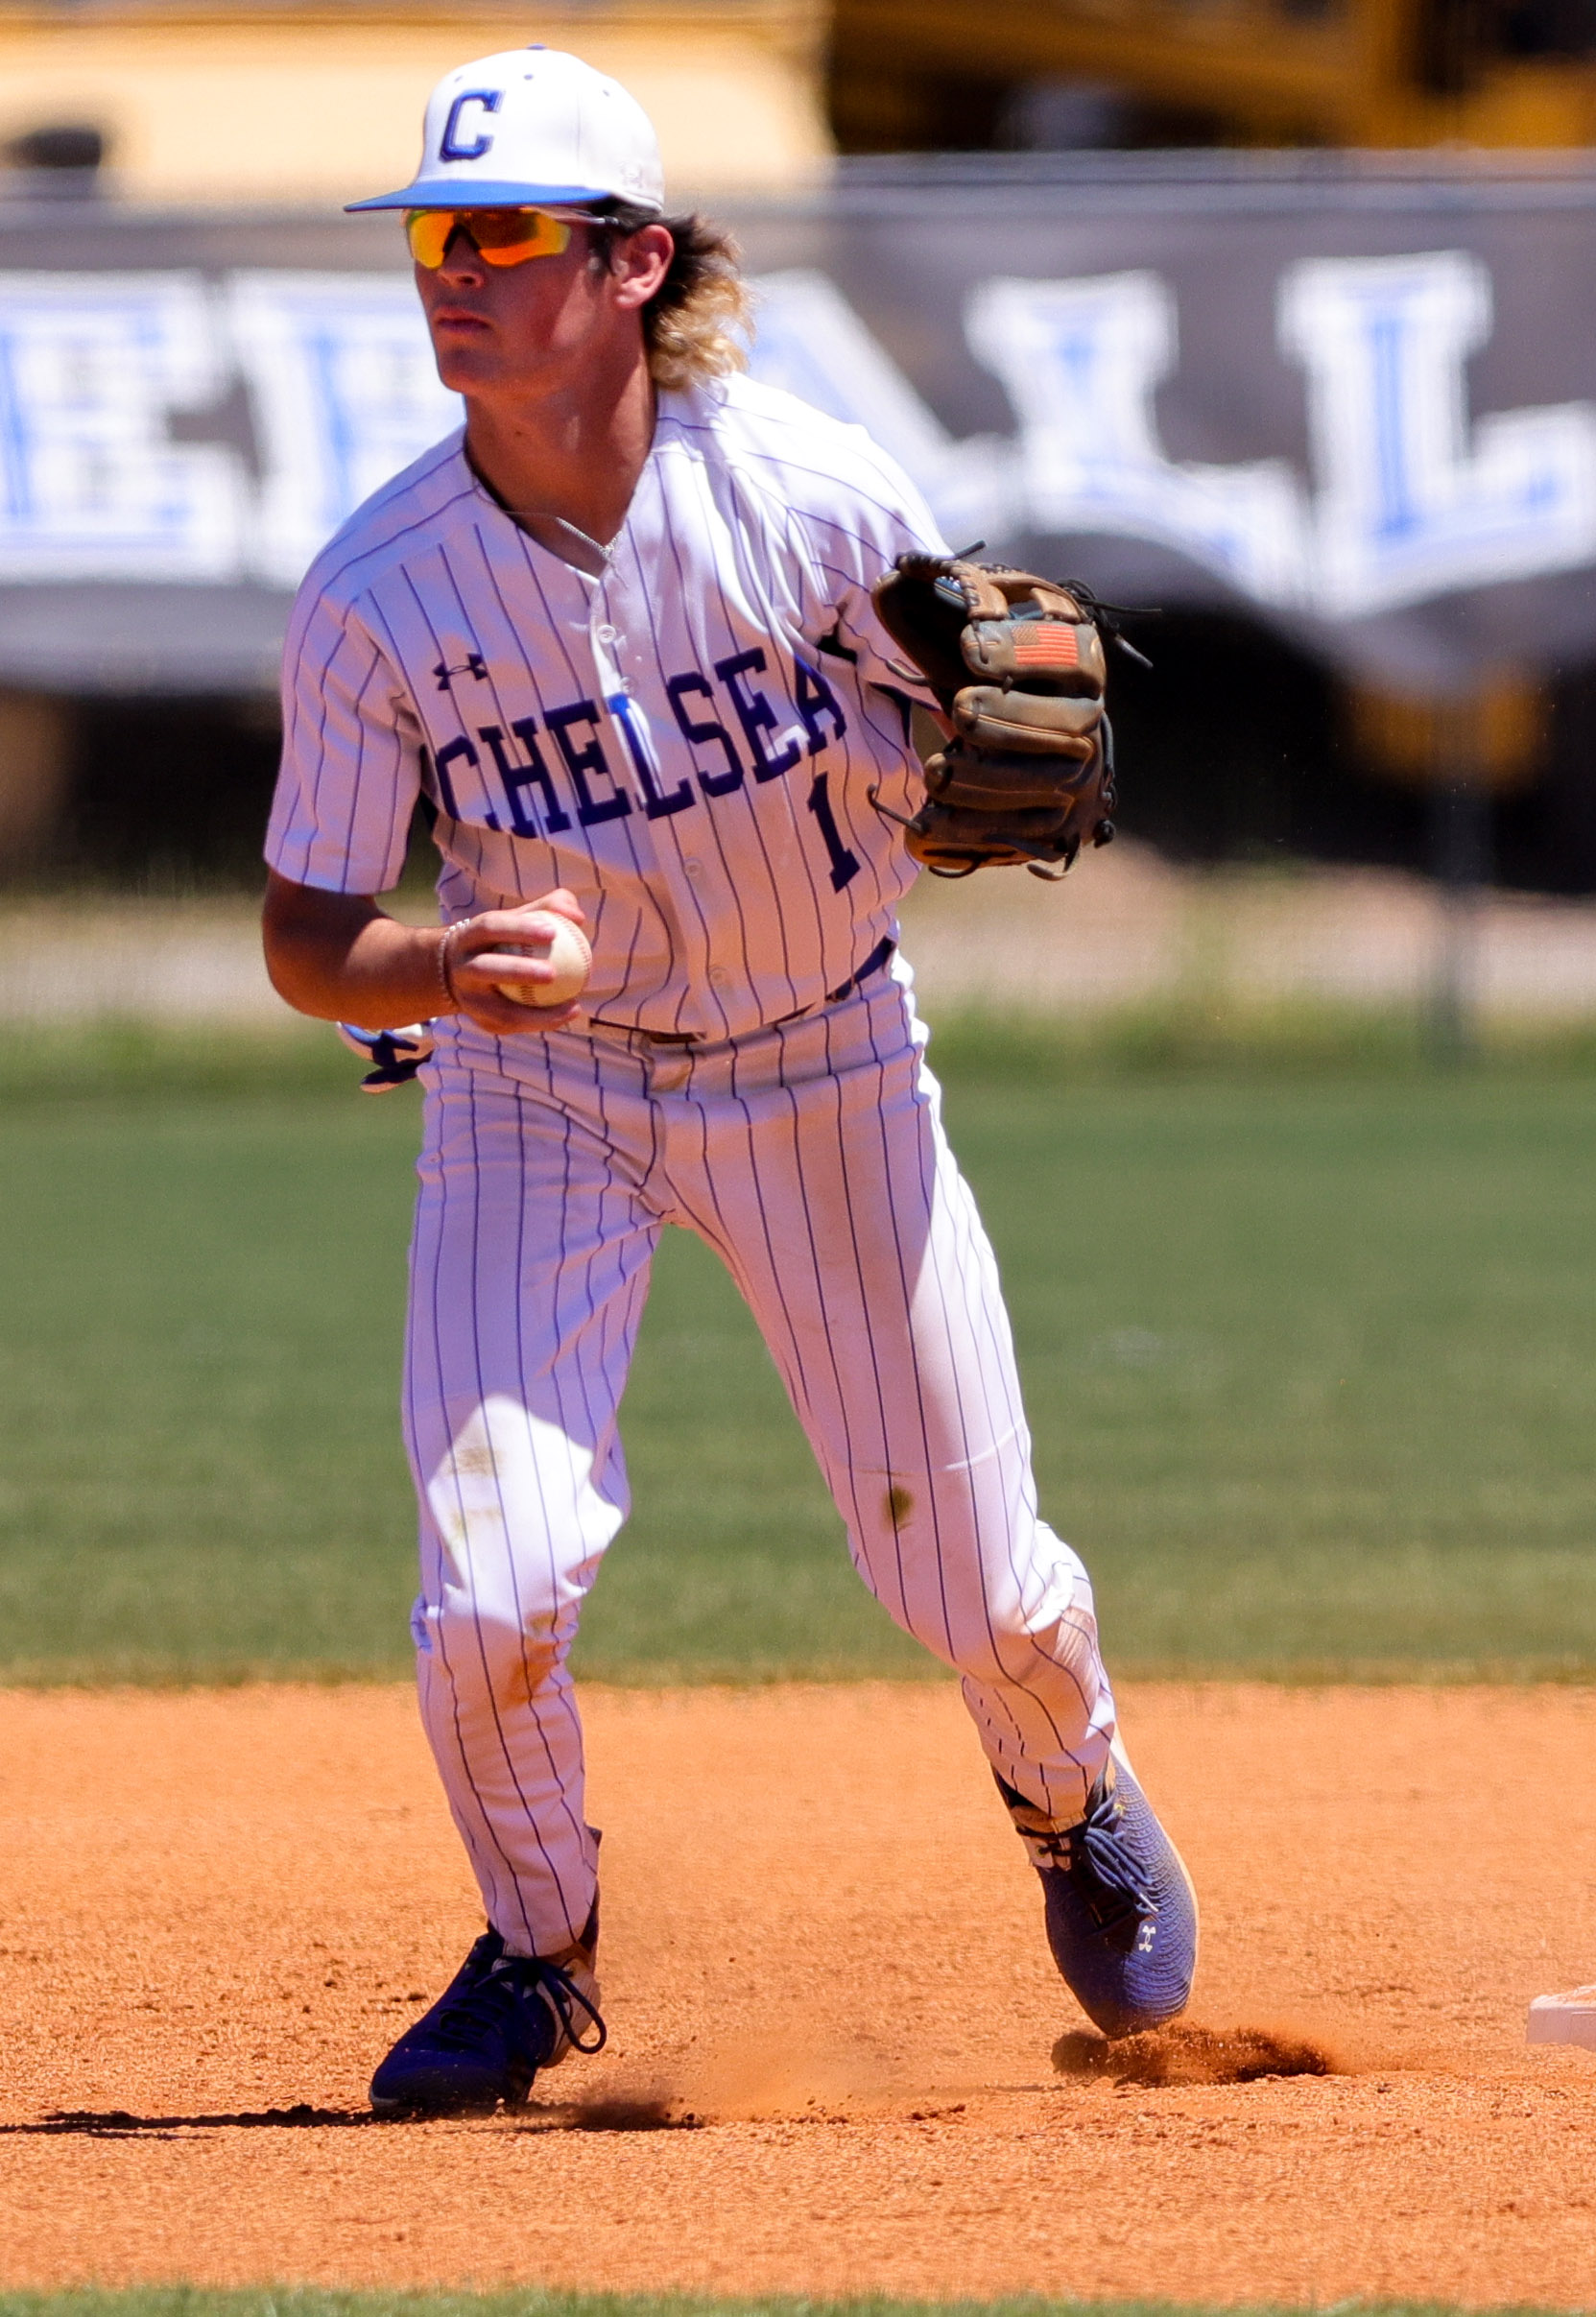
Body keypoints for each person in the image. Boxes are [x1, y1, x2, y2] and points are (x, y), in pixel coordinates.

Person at [255, 45, 1193, 2116]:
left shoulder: (810, 501)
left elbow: (975, 729)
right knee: (493, 1581)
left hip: (825, 1057)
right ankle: (538, 1947)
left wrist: (952, 778)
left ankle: (1066, 1790)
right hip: (541, 1093)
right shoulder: (378, 590)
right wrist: (444, 968)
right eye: (433, 233)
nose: (452, 270)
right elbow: (310, 936)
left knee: (965, 1578)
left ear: (635, 264)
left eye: (503, 232)